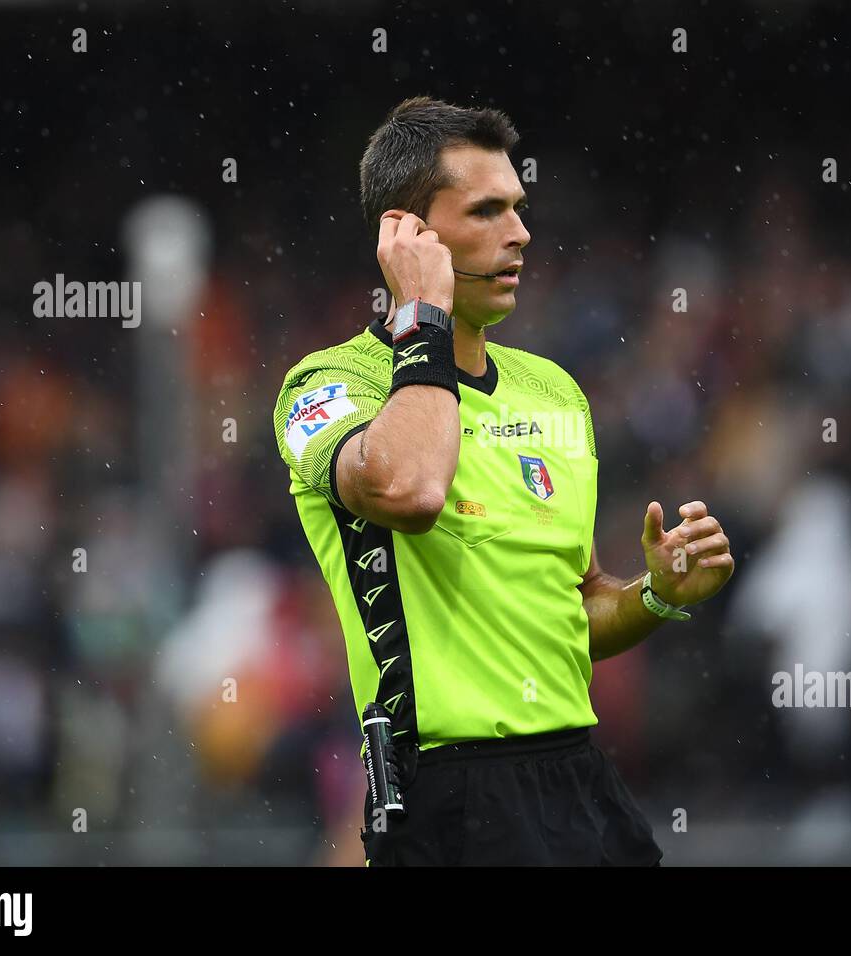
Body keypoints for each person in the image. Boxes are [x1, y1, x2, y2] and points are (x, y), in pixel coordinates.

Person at [271, 96, 735, 865]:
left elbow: (573, 608)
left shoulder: (554, 390)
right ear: (405, 234)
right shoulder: (329, 386)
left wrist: (654, 596)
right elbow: (411, 491)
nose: (519, 233)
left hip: (582, 785)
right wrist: (420, 309)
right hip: (449, 803)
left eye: (518, 208)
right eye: (487, 211)